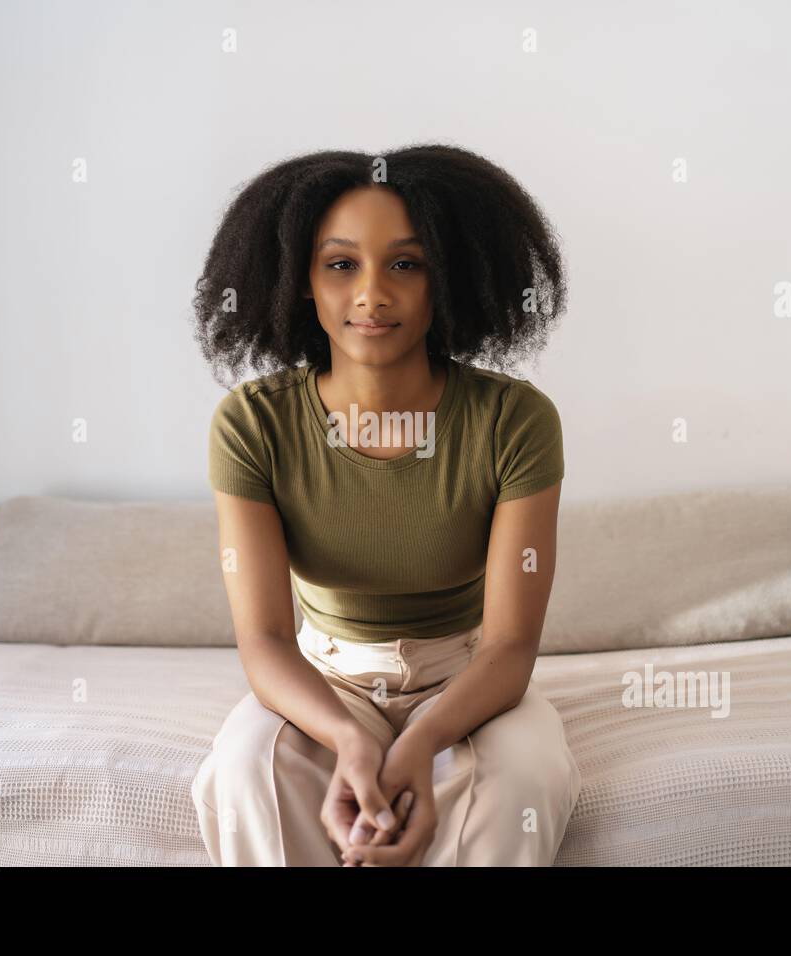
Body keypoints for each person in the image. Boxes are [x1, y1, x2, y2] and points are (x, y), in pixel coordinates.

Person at [189, 143, 580, 866]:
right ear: (300, 280)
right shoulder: (253, 424)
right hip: (324, 675)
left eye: (406, 263)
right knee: (250, 766)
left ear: (448, 279)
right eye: (341, 264)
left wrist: (419, 747)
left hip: (469, 675)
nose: (372, 294)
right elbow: (266, 642)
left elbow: (510, 646)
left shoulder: (516, 420)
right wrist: (349, 740)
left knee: (521, 777)